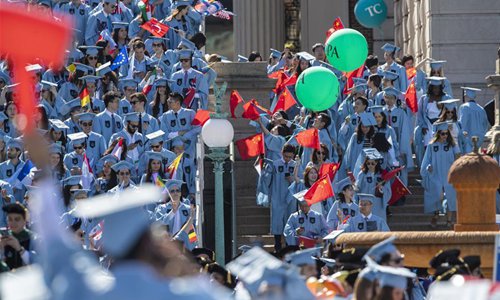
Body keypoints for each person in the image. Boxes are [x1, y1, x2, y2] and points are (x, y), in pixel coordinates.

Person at [420, 122, 460, 228]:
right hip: (436, 175)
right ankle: (435, 216)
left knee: (451, 197)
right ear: (438, 134)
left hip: (449, 175)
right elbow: (426, 160)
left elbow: (458, 157)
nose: (445, 136)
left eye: (446, 134)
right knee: (436, 196)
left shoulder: (452, 145)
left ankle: (449, 220)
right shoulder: (432, 146)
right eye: (442, 134)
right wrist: (428, 167)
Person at [263, 144, 297, 251]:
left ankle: (288, 245)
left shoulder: (296, 165)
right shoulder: (275, 164)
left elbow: (300, 181)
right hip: (277, 195)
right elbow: (267, 180)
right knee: (277, 220)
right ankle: (277, 245)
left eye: (290, 157)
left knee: (289, 220)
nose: (287, 159)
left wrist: (292, 179)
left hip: (290, 197)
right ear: (282, 153)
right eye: (286, 156)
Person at [0, 203, 35, 270]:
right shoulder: (4, 237)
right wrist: (1, 249)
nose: (13, 223)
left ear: (24, 221)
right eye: (10, 219)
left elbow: (39, 263)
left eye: (17, 219)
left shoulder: (34, 239)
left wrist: (20, 249)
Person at [458, 87, 490, 152]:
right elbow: (486, 125)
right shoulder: (481, 109)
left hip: (467, 138)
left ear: (466, 96)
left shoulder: (464, 107)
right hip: (479, 138)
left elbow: (462, 123)